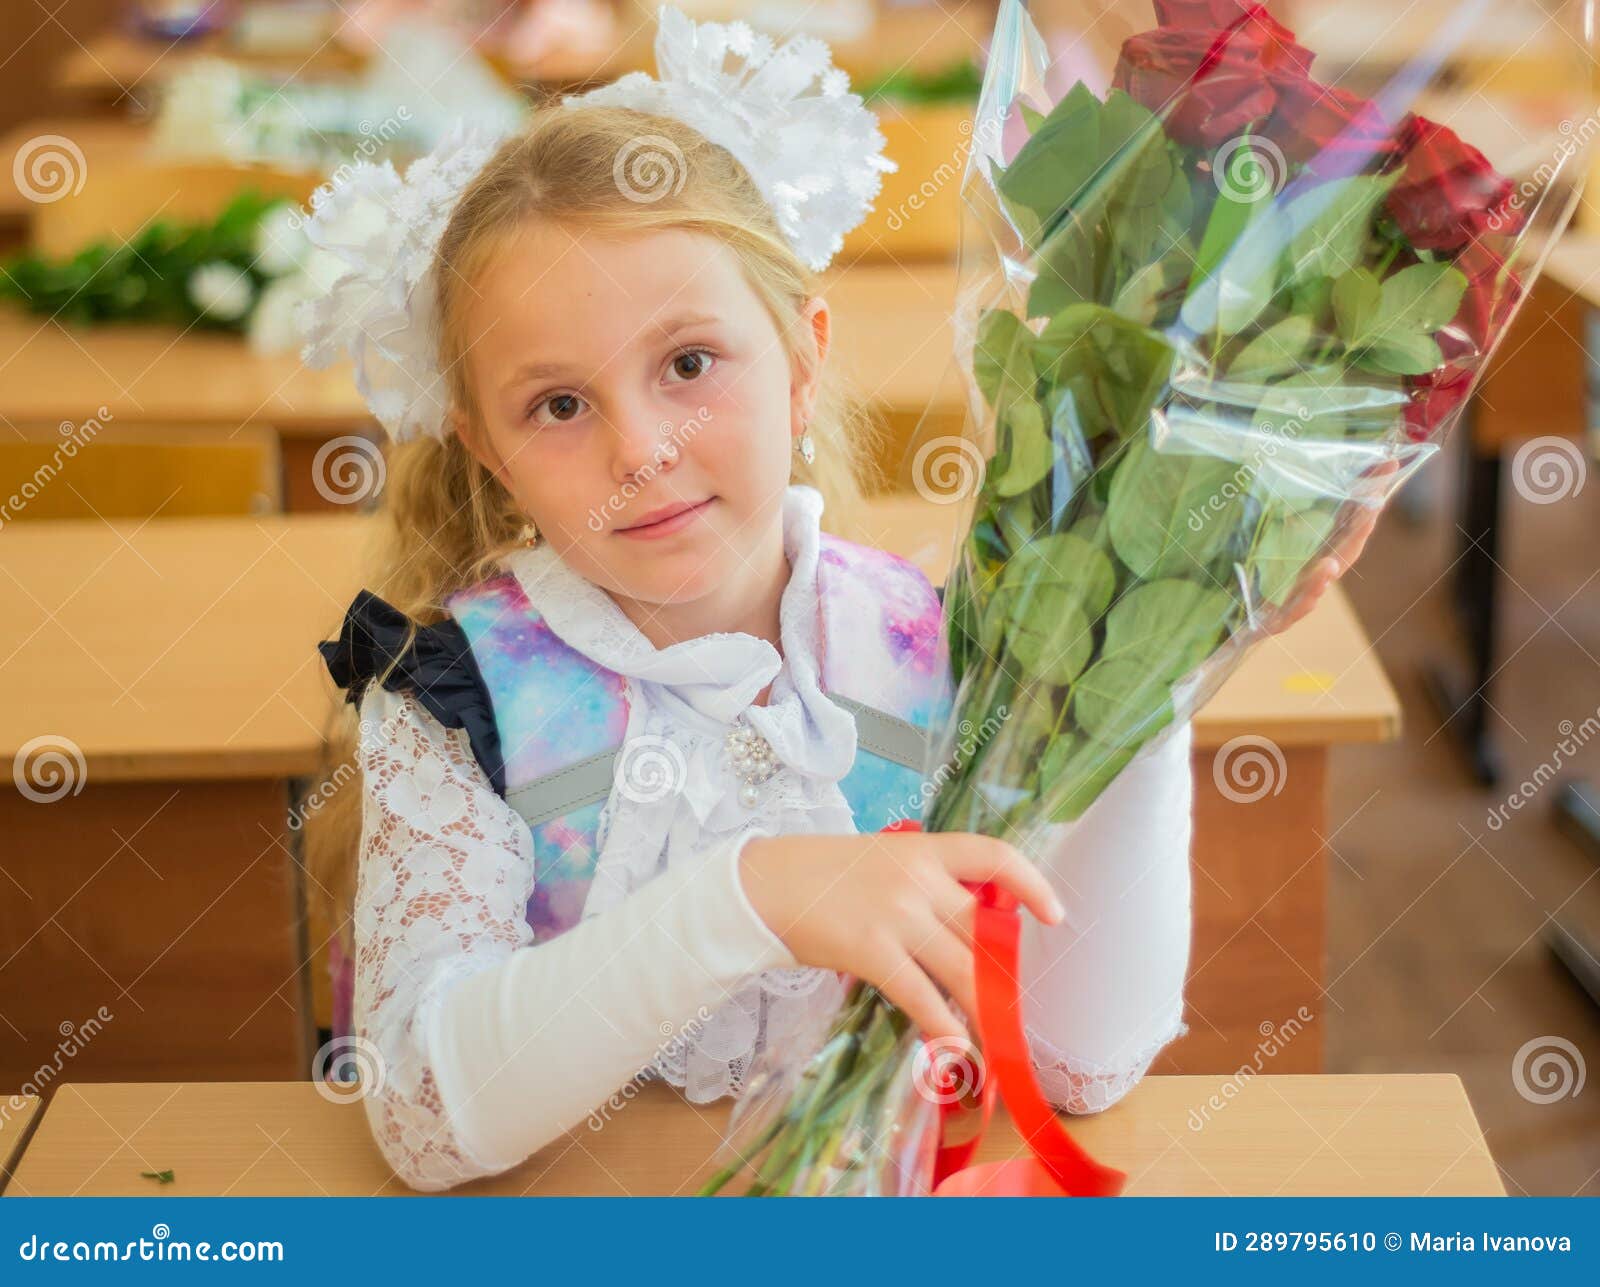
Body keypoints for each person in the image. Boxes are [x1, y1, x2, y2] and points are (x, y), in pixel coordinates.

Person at [302, 4, 1376, 1193]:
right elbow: (421, 1119)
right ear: (488, 450)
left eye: (689, 364)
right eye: (558, 405)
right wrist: (753, 894)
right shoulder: (459, 702)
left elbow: (1081, 1064)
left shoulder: (930, 644)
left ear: (804, 359)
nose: (642, 449)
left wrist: (1152, 656)